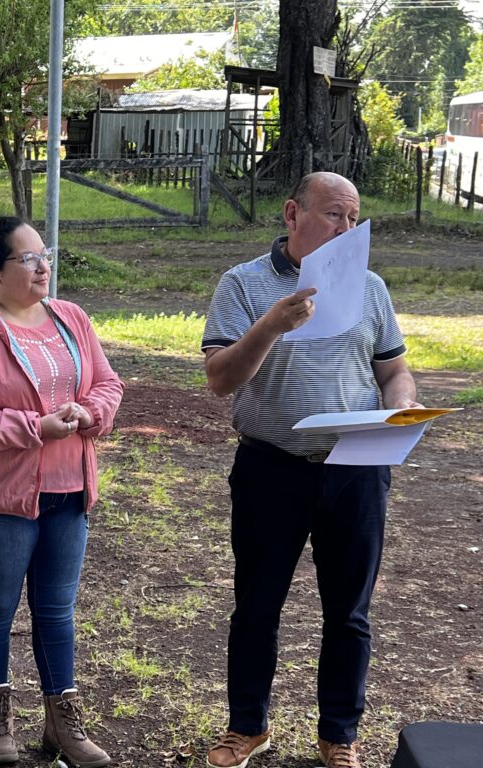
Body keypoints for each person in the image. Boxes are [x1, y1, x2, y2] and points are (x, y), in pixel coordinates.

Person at [201, 172, 420, 768]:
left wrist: (400, 404)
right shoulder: (243, 285)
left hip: (356, 465)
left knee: (349, 610)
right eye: (333, 215)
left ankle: (338, 735)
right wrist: (272, 324)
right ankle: (247, 727)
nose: (345, 228)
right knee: (257, 604)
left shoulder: (370, 287)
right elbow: (220, 381)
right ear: (292, 214)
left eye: (353, 218)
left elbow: (393, 369)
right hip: (272, 466)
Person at [0, 217, 124, 768]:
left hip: (70, 489)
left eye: (45, 254)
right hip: (1, 497)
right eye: (28, 259)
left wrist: (89, 411)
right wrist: (33, 427)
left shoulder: (71, 317)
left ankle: (61, 722)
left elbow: (108, 383)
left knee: (57, 611)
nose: (43, 266)